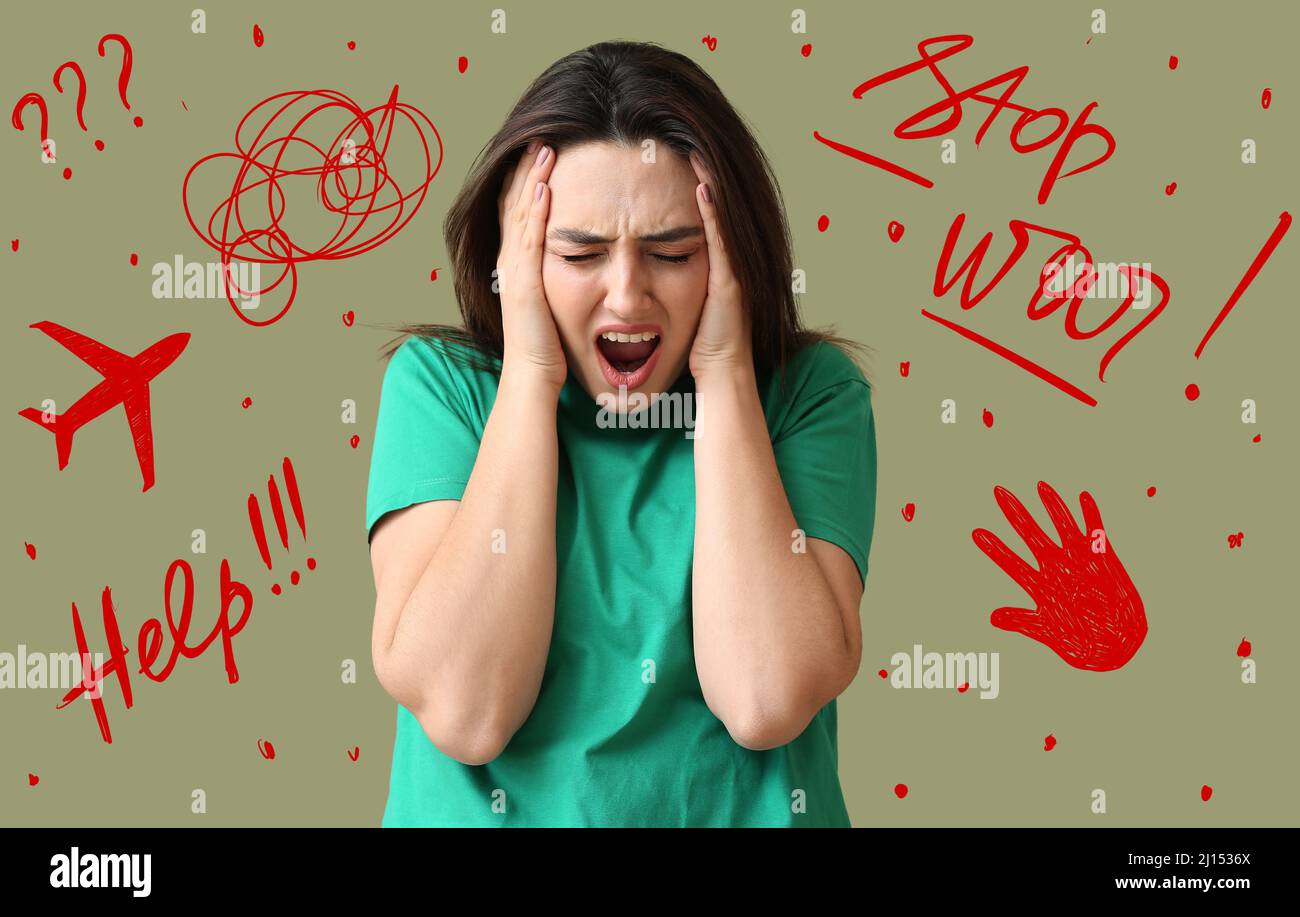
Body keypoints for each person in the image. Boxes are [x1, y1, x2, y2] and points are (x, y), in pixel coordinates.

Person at [365, 40, 878, 827]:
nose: (628, 293)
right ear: (520, 256)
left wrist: (726, 374)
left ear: (734, 253)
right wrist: (531, 372)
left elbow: (765, 698)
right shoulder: (440, 391)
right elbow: (467, 713)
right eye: (580, 253)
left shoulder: (810, 399)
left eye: (673, 252)